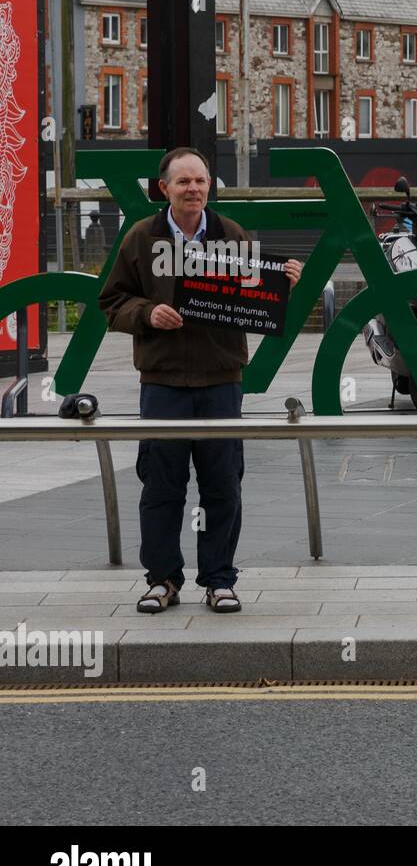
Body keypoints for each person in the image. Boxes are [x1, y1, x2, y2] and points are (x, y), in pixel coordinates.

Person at [98, 147, 302, 614]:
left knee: (223, 486)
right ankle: (162, 580)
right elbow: (111, 302)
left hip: (221, 381)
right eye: (184, 182)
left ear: (210, 186)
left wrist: (282, 283)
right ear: (163, 188)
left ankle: (219, 580)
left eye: (201, 181)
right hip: (163, 383)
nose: (194, 189)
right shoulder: (139, 239)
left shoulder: (230, 234)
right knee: (161, 487)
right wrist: (148, 313)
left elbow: (254, 296)